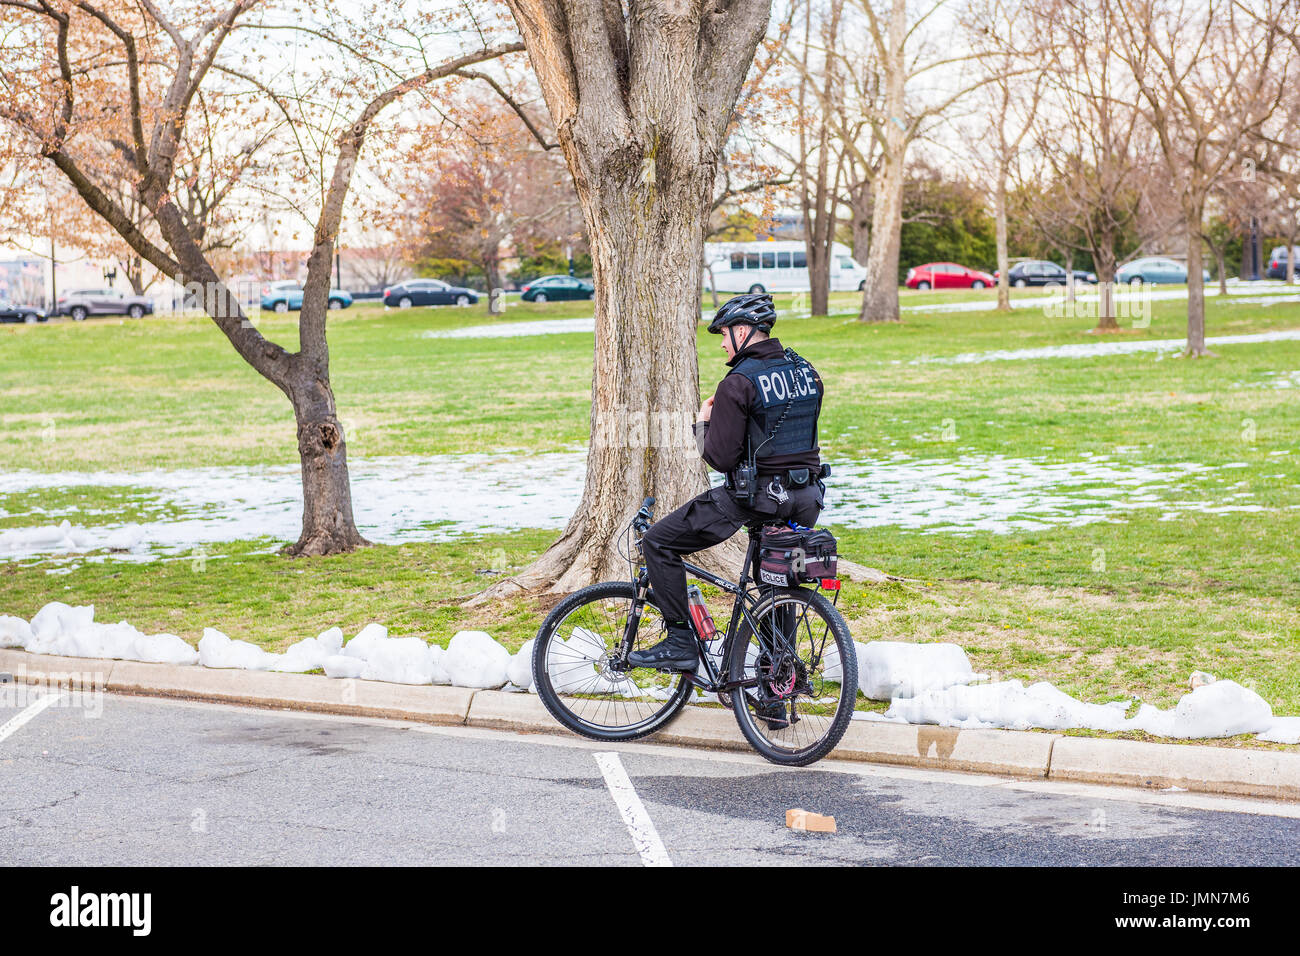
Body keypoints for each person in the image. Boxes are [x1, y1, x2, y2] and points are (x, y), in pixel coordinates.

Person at [630, 291, 827, 673]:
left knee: (658, 542)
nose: (722, 343)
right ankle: (775, 690)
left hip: (757, 499)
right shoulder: (807, 371)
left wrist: (704, 422)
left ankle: (679, 642)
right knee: (774, 584)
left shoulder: (737, 383)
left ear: (743, 331)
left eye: (723, 334)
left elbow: (720, 457)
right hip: (806, 498)